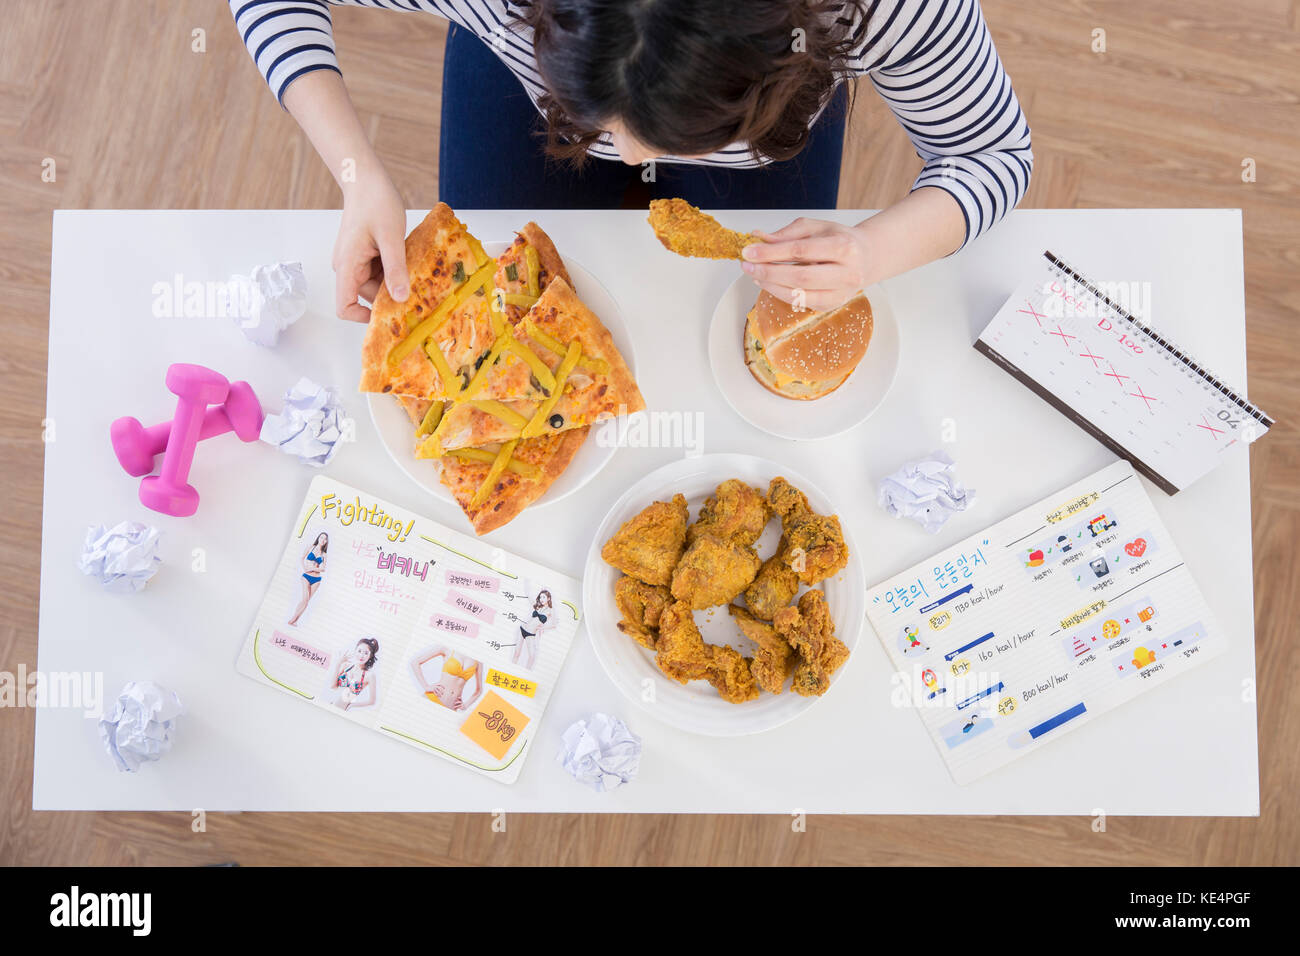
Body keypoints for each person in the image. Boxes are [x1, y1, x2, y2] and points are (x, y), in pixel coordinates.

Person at [228, 1, 1033, 320]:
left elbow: (993, 151)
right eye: (603, 123)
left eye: (661, 133)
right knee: (493, 300)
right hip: (521, 90)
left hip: (770, 143)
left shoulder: (885, 9)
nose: (629, 158)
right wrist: (355, 171)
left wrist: (872, 249)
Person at [411, 645, 485, 712]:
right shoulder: (447, 648)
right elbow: (415, 662)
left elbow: (479, 690)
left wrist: (466, 705)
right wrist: (426, 687)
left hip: (451, 708)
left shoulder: (478, 661)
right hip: (433, 698)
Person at [326, 638, 380, 710]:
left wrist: (352, 705)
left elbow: (372, 701)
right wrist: (338, 664)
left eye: (366, 653)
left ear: (370, 656)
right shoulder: (346, 666)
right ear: (355, 651)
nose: (361, 655)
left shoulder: (369, 675)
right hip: (329, 704)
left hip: (341, 710)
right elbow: (333, 686)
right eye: (359, 651)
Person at [288, 532, 328, 626]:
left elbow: (323, 569)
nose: (322, 540)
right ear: (318, 538)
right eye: (321, 537)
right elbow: (302, 558)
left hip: (316, 579)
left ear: (326, 542)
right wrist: (305, 568)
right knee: (305, 599)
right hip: (306, 576)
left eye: (325, 539)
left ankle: (295, 621)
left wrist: (313, 568)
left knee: (306, 601)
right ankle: (292, 620)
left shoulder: (324, 554)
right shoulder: (311, 547)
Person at [513, 589, 552, 670]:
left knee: (532, 656)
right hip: (522, 629)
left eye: (544, 597)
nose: (541, 599)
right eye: (540, 597)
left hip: (530, 634)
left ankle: (525, 673)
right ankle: (510, 669)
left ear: (548, 598)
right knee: (517, 653)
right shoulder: (537, 605)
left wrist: (542, 627)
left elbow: (554, 625)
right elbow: (528, 595)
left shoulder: (550, 612)